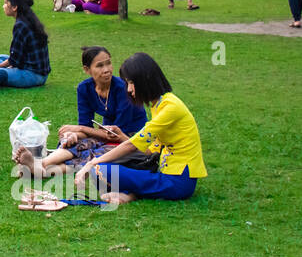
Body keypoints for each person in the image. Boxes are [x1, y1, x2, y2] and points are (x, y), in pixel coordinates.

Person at [74, 53, 206, 203]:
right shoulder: (159, 104)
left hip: (178, 181)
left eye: (131, 83)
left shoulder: (170, 107)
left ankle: (131, 193)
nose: (129, 89)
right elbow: (149, 150)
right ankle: (131, 194)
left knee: (100, 169)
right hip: (164, 172)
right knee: (102, 170)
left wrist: (92, 162)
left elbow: (132, 145)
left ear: (145, 80)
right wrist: (121, 136)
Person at [12, 45, 153, 178]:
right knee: (76, 143)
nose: (107, 69)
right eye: (100, 65)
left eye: (108, 63)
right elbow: (87, 126)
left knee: (94, 154)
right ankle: (40, 166)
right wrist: (73, 135)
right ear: (87, 69)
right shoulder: (84, 88)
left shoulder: (123, 88)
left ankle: (40, 169)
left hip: (130, 138)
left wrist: (79, 129)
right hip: (107, 135)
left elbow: (115, 134)